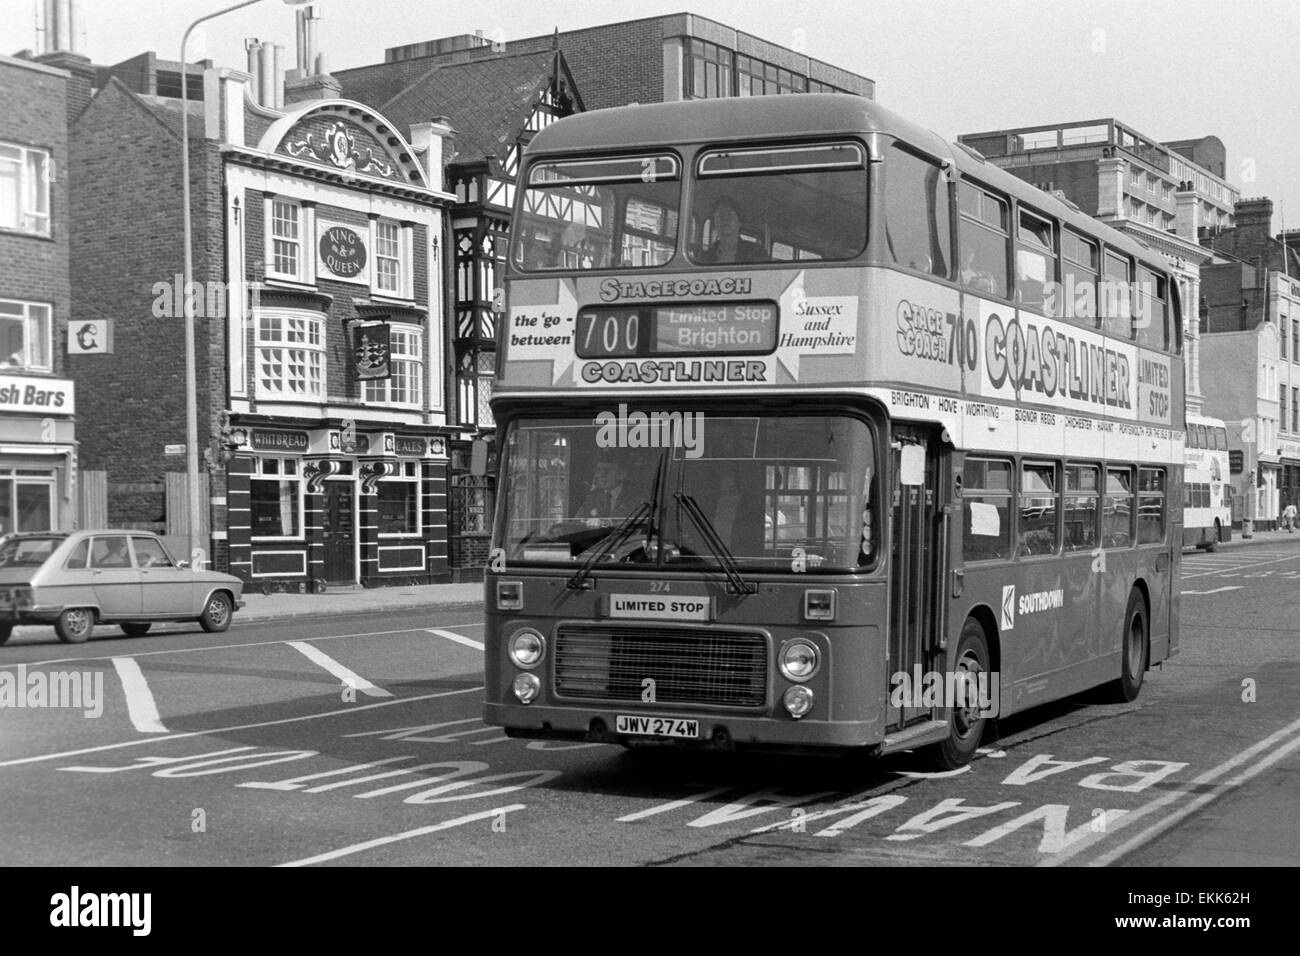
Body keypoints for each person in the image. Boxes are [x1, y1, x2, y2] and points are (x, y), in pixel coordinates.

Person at [698, 197, 765, 264]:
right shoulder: (705, 258)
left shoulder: (756, 252)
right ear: (714, 223)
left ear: (739, 221)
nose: (725, 219)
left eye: (730, 215)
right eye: (720, 215)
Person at [579, 458, 633, 526]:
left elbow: (632, 520)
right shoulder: (592, 496)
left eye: (606, 471)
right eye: (599, 470)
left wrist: (606, 522)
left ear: (621, 474)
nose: (602, 475)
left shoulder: (633, 496)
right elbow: (577, 520)